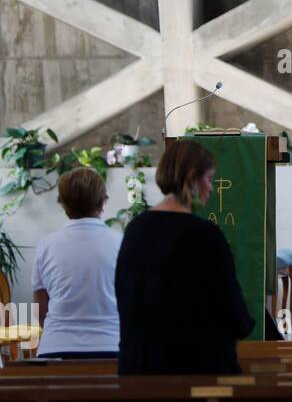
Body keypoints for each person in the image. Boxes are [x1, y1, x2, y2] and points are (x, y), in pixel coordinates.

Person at [115, 140, 254, 375]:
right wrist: (245, 324)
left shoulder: (136, 230)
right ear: (192, 177)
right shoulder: (206, 235)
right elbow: (231, 310)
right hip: (197, 371)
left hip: (140, 370)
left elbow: (125, 298)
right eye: (209, 179)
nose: (210, 188)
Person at [31, 168, 122, 359]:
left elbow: (40, 311)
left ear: (62, 203)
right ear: (103, 201)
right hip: (111, 348)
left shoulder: (46, 246)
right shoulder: (120, 244)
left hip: (55, 349)